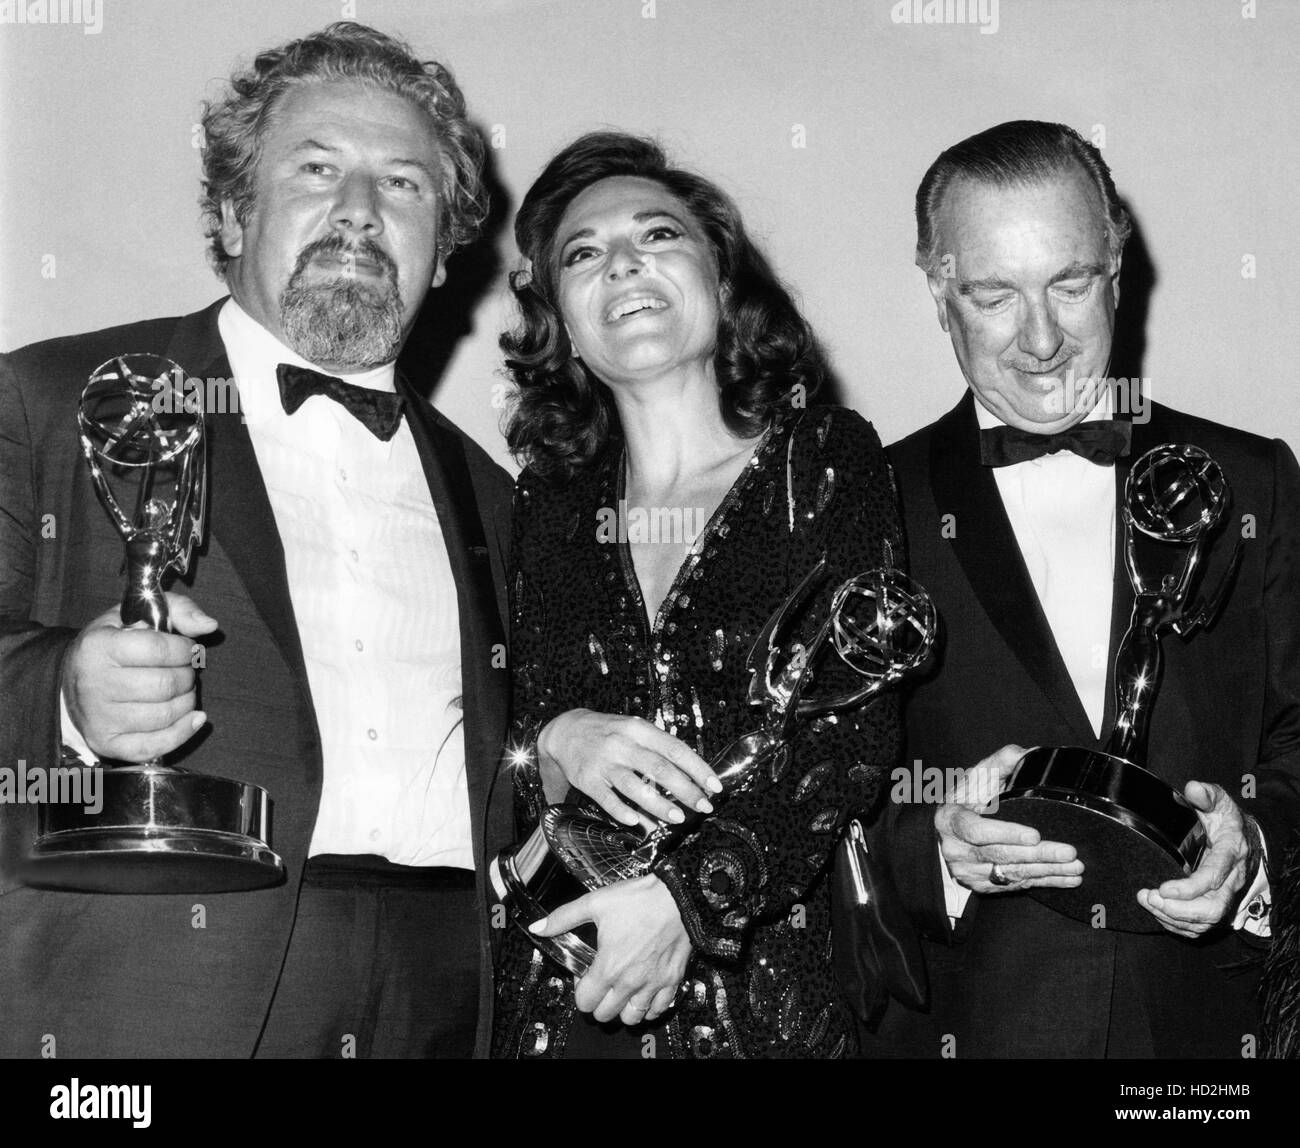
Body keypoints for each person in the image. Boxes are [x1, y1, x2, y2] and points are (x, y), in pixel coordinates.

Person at [0, 22, 513, 1058]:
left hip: (443, 995)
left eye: (403, 184)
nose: (360, 212)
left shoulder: (498, 498)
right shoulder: (51, 398)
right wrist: (63, 691)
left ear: (447, 246)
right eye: (318, 168)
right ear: (236, 211)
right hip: (147, 995)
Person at [864, 120, 1300, 1058]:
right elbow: (822, 797)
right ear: (938, 292)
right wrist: (936, 846)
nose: (1043, 339)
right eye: (993, 295)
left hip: (1208, 1044)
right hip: (969, 1026)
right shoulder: (867, 503)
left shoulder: (1252, 480)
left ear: (1117, 268)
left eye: (1069, 284)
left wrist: (1252, 853)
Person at [490, 132, 902, 1059]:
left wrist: (686, 901)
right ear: (563, 319)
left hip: (762, 1003)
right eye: (583, 254)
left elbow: (854, 742)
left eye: (659, 235)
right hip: (561, 996)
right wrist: (556, 742)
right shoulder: (547, 505)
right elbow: (509, 743)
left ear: (722, 280)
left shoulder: (824, 459)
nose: (623, 262)